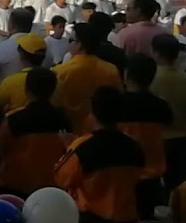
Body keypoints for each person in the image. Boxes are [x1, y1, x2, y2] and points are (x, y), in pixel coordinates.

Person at [55, 86, 146, 223]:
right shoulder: (135, 146)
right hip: (127, 216)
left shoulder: (82, 147)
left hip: (90, 217)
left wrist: (69, 147)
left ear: (93, 112)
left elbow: (61, 177)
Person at [0, 67, 71, 199]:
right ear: (52, 91)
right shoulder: (64, 121)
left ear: (27, 90)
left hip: (16, 186)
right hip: (53, 188)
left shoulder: (14, 120)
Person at [121, 53, 173, 219]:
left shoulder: (117, 104)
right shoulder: (161, 105)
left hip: (123, 175)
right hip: (154, 177)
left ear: (126, 75)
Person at [54, 21, 123, 133]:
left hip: (71, 132)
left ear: (80, 45)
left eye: (71, 40)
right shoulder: (111, 70)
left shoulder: (61, 71)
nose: (68, 44)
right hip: (104, 132)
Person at [151, 33, 186, 189]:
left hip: (160, 139)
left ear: (156, 53)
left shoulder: (152, 78)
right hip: (183, 138)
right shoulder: (183, 77)